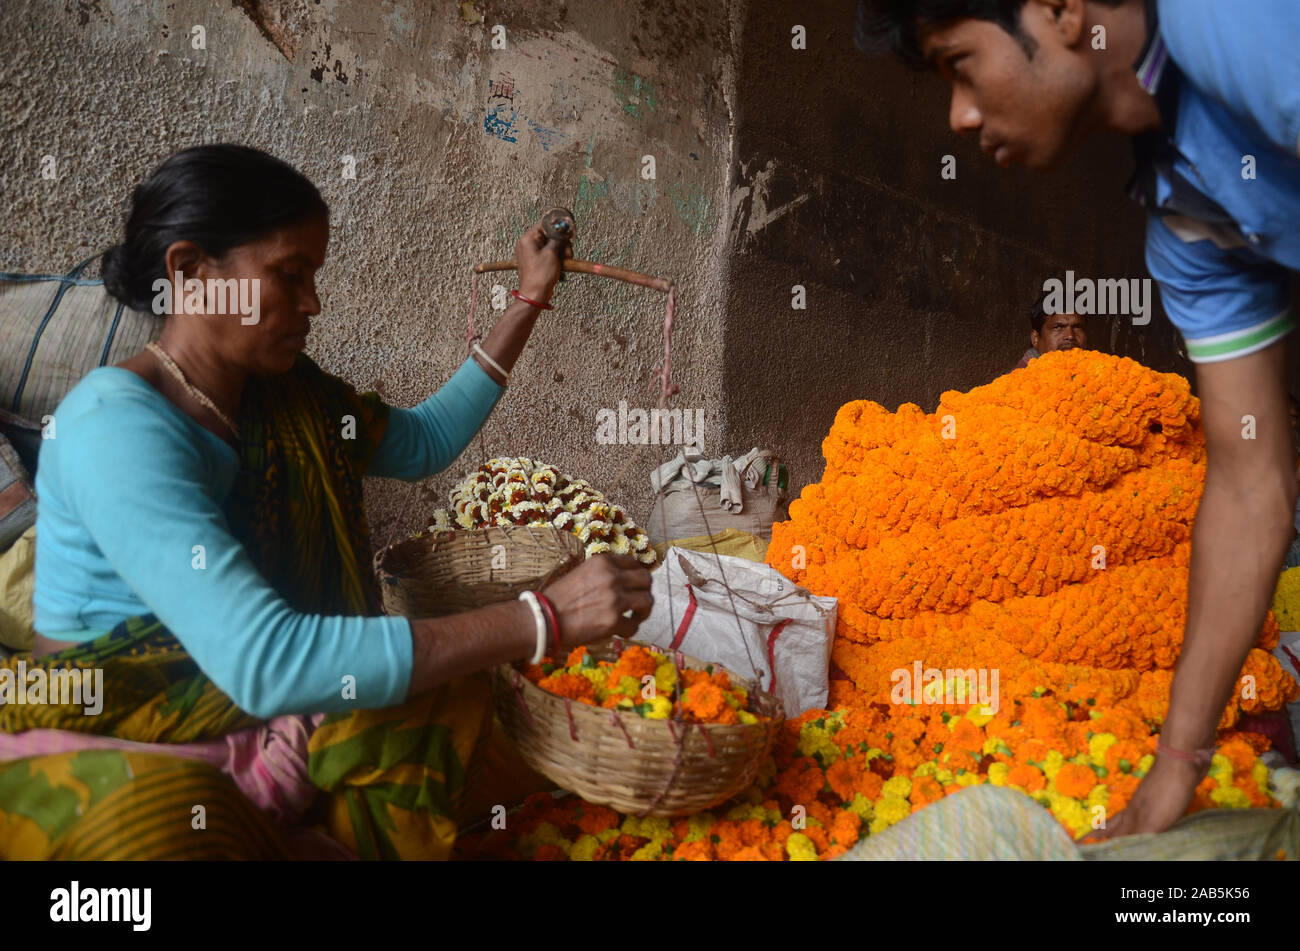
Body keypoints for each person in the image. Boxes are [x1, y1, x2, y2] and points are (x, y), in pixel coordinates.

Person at [0, 144, 653, 859]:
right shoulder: (115, 424)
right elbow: (265, 659)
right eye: (290, 274)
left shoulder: (287, 399)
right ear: (191, 273)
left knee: (449, 696)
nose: (312, 301)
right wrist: (543, 618)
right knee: (159, 825)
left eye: (314, 274)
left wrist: (529, 297)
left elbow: (427, 440)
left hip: (253, 717)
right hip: (125, 724)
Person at [856, 0, 1300, 837]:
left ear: (1061, 10)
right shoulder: (1186, 219)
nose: (959, 116)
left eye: (959, 65)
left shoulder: (1238, 24)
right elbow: (1251, 485)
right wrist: (1175, 769)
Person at [1015, 300, 1086, 369]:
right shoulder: (1019, 379)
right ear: (1035, 339)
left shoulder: (1092, 372)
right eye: (1058, 327)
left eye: (1077, 327)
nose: (1070, 336)